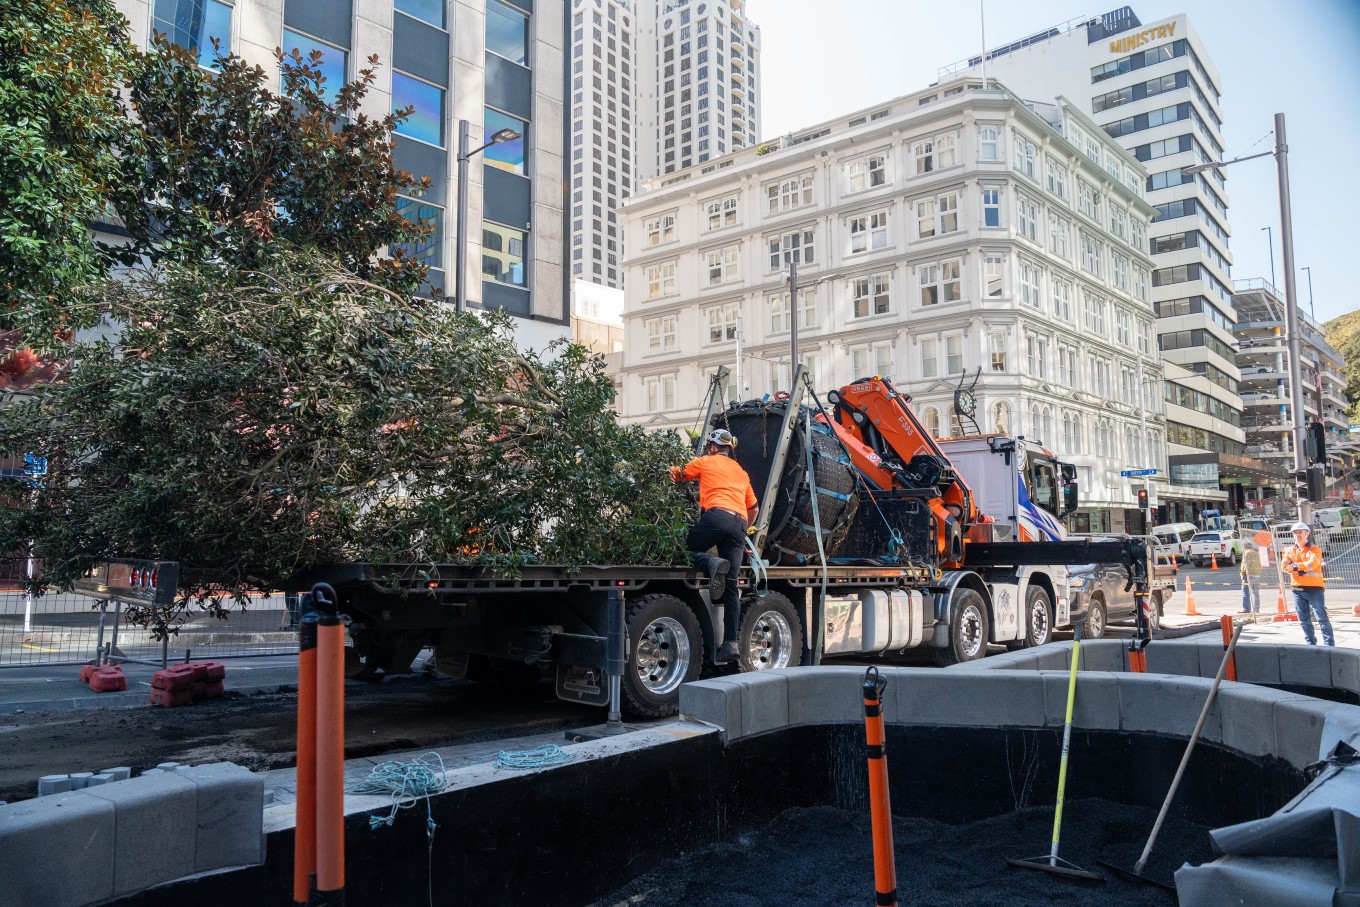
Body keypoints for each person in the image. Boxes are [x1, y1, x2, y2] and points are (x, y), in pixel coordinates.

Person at [672, 428, 759, 664]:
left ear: (711, 447)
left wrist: (659, 468)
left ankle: (711, 562)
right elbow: (754, 508)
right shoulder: (742, 472)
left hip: (716, 516)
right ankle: (730, 644)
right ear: (729, 448)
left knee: (683, 551)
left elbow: (677, 475)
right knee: (731, 585)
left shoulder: (705, 461)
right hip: (740, 522)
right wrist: (745, 530)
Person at [1280, 522, 1334, 647]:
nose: (1297, 535)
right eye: (1295, 533)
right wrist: (1301, 567)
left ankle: (1329, 645)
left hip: (1315, 590)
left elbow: (1312, 565)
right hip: (1297, 590)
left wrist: (1294, 566)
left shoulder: (1315, 549)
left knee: (1321, 618)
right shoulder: (1290, 551)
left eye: (1300, 532)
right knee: (1304, 620)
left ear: (1307, 533)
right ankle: (1310, 645)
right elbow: (1284, 567)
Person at [1239, 543, 1263, 616]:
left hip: (1248, 574)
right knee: (1255, 593)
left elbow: (1244, 565)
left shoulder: (1246, 553)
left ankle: (1246, 609)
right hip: (1257, 574)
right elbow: (1259, 564)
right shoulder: (1256, 553)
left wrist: (1242, 574)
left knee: (1245, 591)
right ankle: (1256, 610)